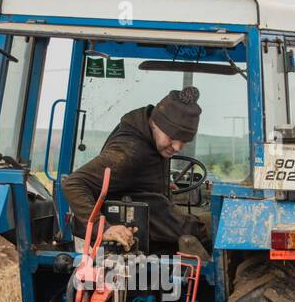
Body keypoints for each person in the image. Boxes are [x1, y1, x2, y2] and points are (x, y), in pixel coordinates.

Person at [62, 86, 208, 257]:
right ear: (155, 124)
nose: (177, 147)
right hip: (133, 223)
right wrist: (104, 229)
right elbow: (73, 183)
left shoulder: (150, 138)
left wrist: (160, 183)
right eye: (171, 138)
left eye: (184, 141)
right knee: (208, 229)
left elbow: (135, 174)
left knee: (207, 223)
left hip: (151, 215)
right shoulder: (129, 151)